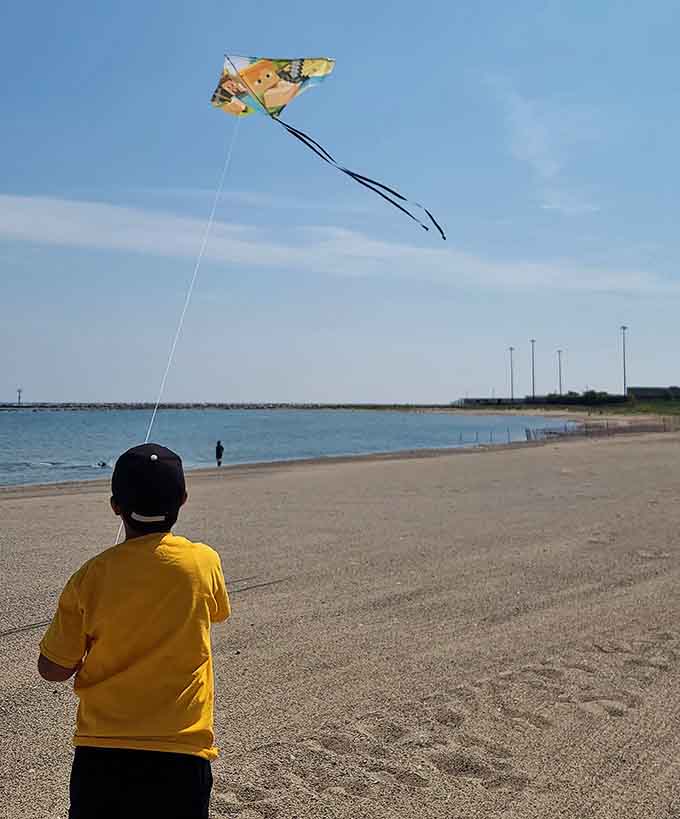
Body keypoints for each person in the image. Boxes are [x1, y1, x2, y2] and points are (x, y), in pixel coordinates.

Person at [37, 443, 230, 819]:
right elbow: (218, 611)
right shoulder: (203, 562)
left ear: (115, 506)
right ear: (183, 500)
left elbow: (53, 669)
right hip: (181, 751)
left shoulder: (91, 575)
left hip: (103, 755)